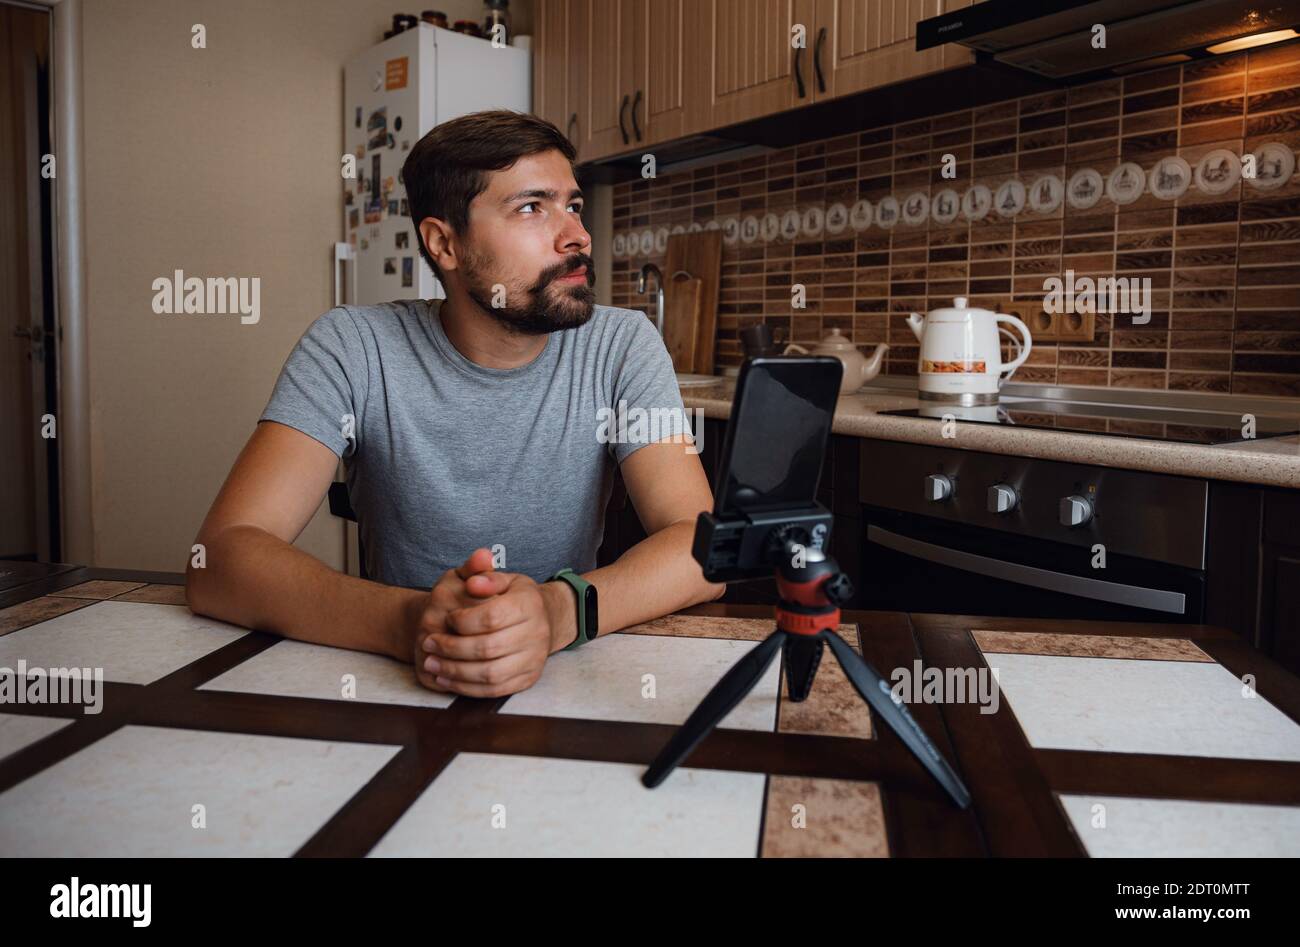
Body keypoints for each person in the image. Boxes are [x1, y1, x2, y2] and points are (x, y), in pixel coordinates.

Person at [186, 109, 724, 698]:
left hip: (565, 675)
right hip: (395, 682)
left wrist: (555, 612)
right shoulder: (352, 347)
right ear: (444, 243)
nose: (576, 235)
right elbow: (220, 557)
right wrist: (411, 623)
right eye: (531, 207)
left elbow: (702, 549)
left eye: (572, 205)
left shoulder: (621, 345)